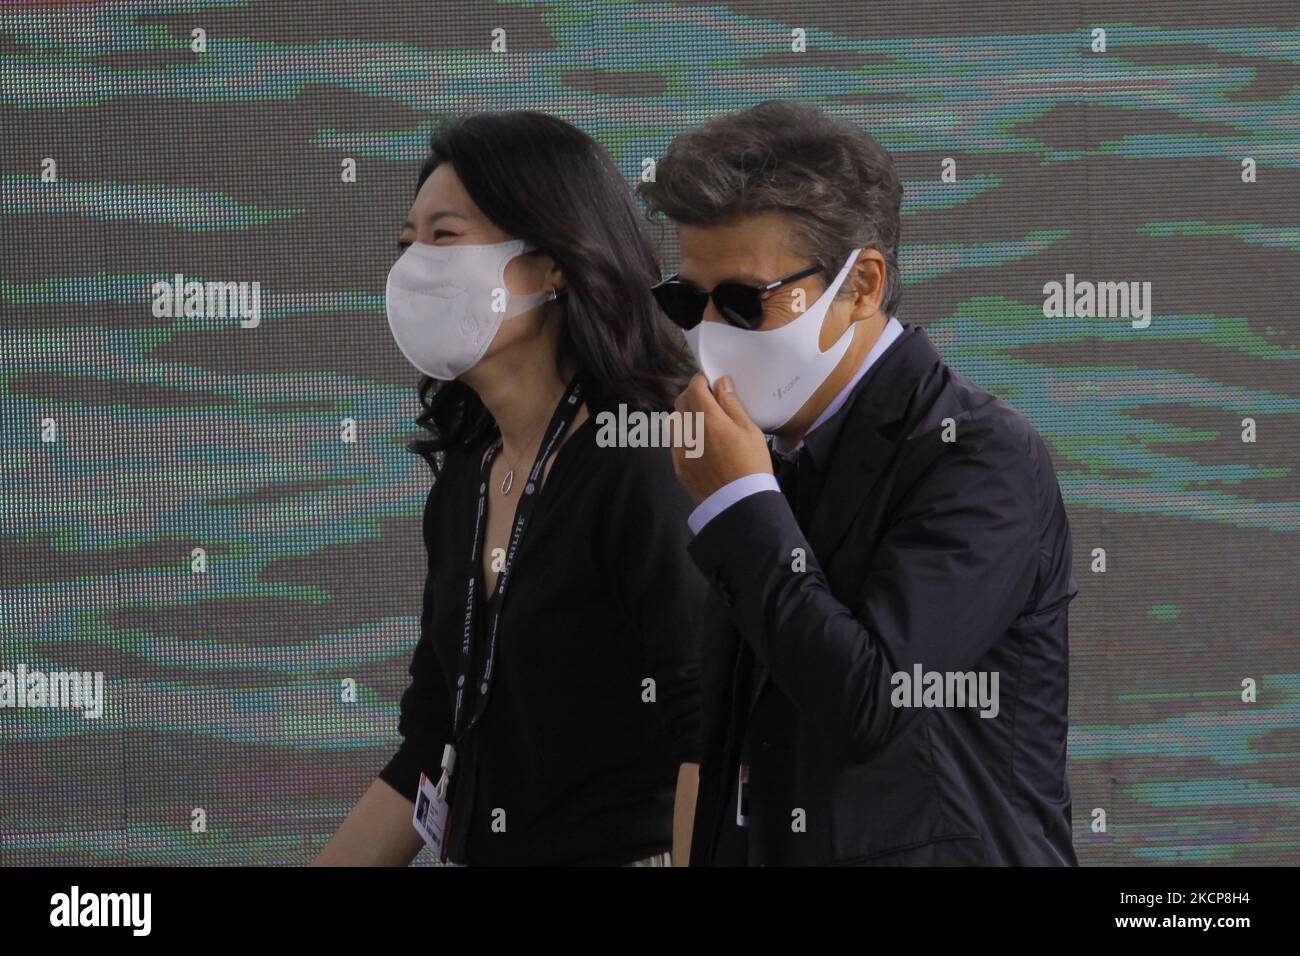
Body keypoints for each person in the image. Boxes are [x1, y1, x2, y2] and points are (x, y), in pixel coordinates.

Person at [640, 100, 1078, 865]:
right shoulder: (763, 456)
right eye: (686, 300)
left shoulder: (979, 456)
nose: (709, 331)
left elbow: (873, 700)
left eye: (745, 301)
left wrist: (741, 504)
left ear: (862, 284)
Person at [316, 111, 705, 866]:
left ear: (554, 261)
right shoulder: (471, 470)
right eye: (407, 242)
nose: (414, 265)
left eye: (445, 236)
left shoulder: (645, 459)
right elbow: (434, 739)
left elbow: (706, 735)